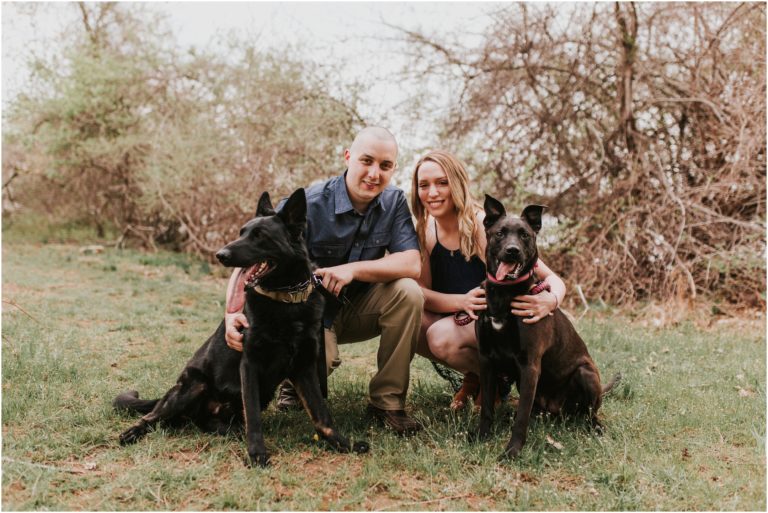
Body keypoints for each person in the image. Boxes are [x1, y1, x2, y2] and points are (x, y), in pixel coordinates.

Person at [224, 127, 425, 435]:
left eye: (385, 166)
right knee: (320, 363)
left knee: (408, 293)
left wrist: (353, 270)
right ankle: (292, 384)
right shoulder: (311, 203)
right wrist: (231, 312)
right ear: (348, 157)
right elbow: (252, 254)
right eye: (366, 161)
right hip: (309, 316)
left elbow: (411, 263)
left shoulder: (395, 201)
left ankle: (387, 402)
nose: (374, 173)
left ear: (394, 168)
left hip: (359, 306)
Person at [411, 150, 566, 410]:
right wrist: (460, 300)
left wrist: (550, 300)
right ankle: (478, 378)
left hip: (499, 320)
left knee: (439, 336)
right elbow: (422, 292)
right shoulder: (426, 229)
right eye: (424, 185)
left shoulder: (482, 226)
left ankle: (497, 379)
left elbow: (552, 278)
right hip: (461, 313)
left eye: (442, 182)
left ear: (458, 184)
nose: (433, 192)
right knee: (411, 321)